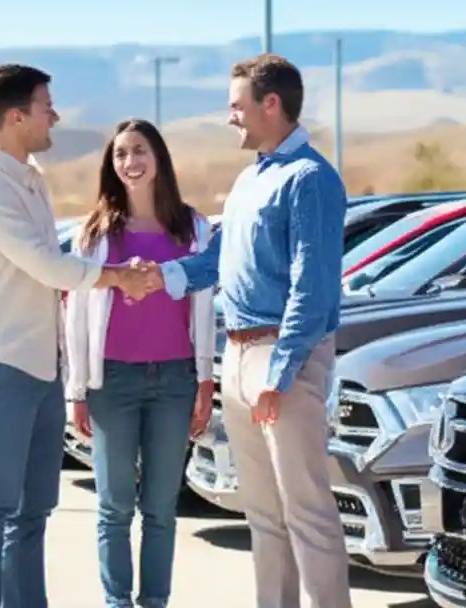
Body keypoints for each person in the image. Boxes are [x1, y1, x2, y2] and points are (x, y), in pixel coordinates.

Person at [131, 54, 352, 608]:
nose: (230, 117)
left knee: (308, 512)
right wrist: (162, 277)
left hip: (284, 357)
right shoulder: (252, 177)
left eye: (237, 106)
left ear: (270, 104)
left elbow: (313, 289)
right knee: (264, 514)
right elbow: (220, 261)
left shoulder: (311, 180)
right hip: (238, 354)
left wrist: (280, 373)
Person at [0, 64, 157, 608]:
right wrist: (115, 277)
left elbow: (58, 264)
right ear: (17, 117)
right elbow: (44, 265)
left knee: (33, 508)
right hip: (3, 364)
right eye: (46, 106)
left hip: (43, 368)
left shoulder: (30, 176)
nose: (55, 115)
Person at [62, 119, 217, 608]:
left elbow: (205, 306)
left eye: (140, 151)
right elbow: (76, 315)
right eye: (121, 154)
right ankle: (116, 602)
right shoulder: (95, 233)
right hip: (113, 382)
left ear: (159, 159)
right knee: (113, 506)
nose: (130, 162)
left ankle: (155, 602)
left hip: (175, 380)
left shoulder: (194, 228)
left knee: (160, 509)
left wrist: (205, 379)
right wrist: (77, 390)